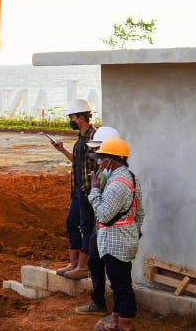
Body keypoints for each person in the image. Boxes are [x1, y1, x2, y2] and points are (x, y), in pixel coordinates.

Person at [88, 137, 145, 331]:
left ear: (111, 160)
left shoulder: (116, 185)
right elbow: (140, 213)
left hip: (115, 243)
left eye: (101, 158)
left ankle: (126, 326)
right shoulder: (131, 177)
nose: (98, 162)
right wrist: (134, 233)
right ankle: (115, 323)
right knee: (119, 283)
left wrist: (94, 192)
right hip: (123, 239)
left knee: (121, 286)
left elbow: (103, 215)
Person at [75, 126, 121, 317]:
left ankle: (119, 313)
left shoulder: (117, 176)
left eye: (99, 149)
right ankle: (98, 302)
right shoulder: (106, 171)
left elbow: (105, 206)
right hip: (100, 228)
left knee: (117, 274)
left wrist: (94, 190)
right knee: (94, 263)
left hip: (112, 232)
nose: (96, 154)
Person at [51, 98, 95, 279]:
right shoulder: (81, 139)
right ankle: (74, 263)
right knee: (71, 224)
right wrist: (62, 150)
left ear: (81, 118)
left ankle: (83, 267)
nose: (71, 120)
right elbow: (78, 162)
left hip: (87, 191)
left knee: (86, 227)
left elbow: (98, 163)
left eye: (72, 117)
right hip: (77, 191)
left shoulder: (94, 137)